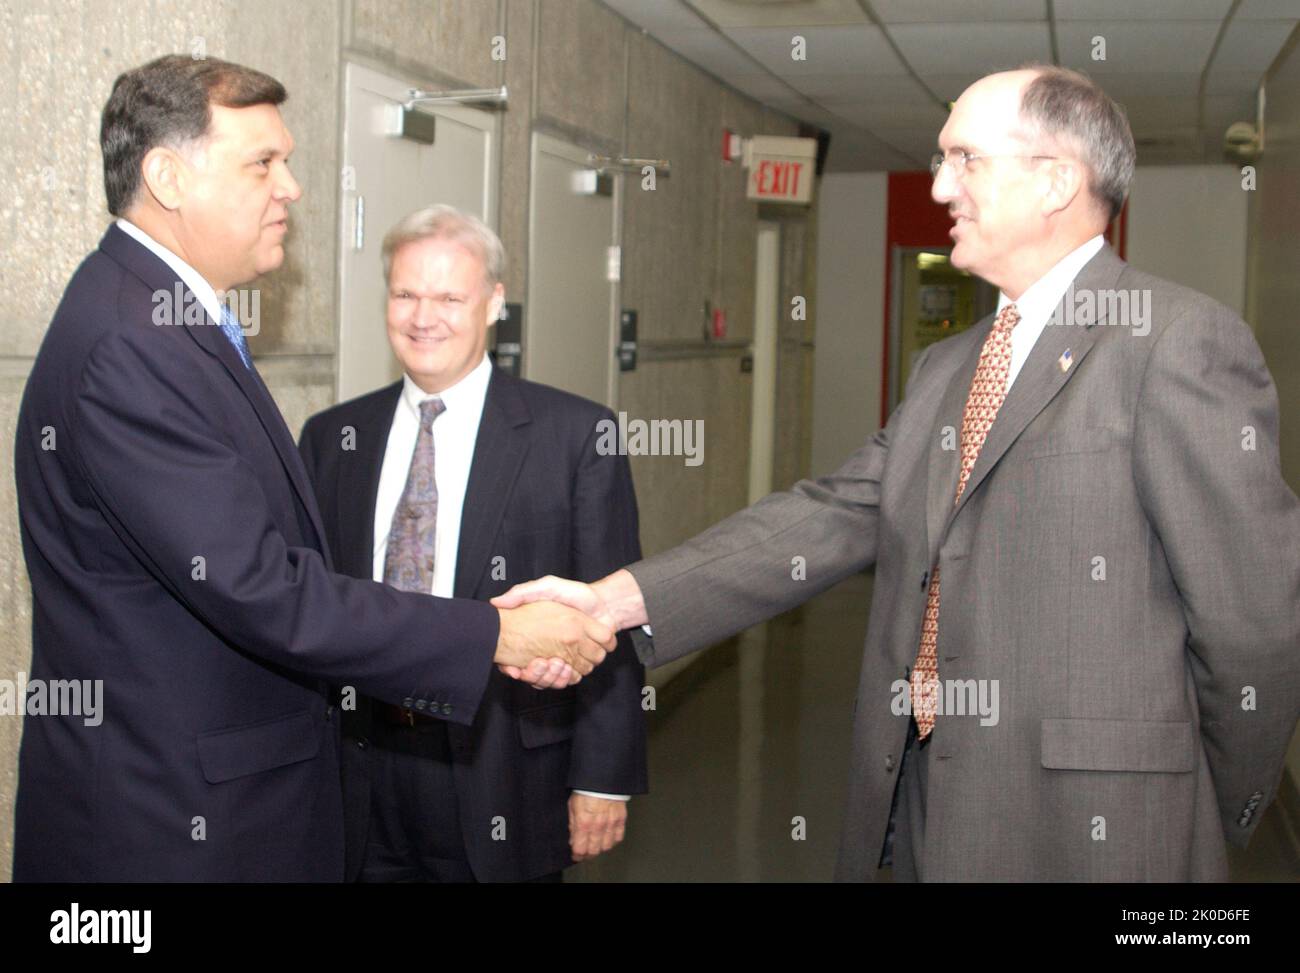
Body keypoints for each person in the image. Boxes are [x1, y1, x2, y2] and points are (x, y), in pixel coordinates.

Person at [495, 65, 1300, 881]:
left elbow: (1255, 620)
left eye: (966, 159)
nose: (942, 184)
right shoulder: (948, 366)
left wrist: (1200, 788)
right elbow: (826, 515)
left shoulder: (1177, 341)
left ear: (1058, 181)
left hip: (1099, 827)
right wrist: (614, 599)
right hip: (924, 802)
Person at [12, 55, 608, 882]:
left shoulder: (171, 318)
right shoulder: (131, 346)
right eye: (262, 163)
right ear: (167, 176)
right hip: (171, 821)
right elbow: (263, 589)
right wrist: (498, 632)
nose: (290, 187)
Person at [298, 205, 647, 883]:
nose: (423, 315)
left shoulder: (575, 436)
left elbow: (613, 617)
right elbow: (308, 601)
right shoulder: (333, 437)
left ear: (494, 303)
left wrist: (603, 779)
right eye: (406, 293)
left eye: (450, 297)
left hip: (506, 771)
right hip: (360, 767)